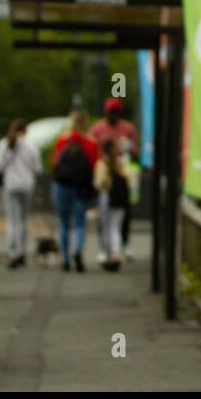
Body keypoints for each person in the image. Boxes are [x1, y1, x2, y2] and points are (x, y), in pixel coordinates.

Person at [90, 98, 140, 258]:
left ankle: (123, 244)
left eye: (115, 112)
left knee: (122, 215)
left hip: (122, 178)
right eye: (110, 112)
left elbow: (136, 154)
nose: (112, 115)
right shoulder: (97, 128)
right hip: (105, 179)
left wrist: (129, 148)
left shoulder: (128, 129)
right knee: (105, 217)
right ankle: (105, 248)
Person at [50, 109, 99, 272]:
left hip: (62, 186)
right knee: (79, 223)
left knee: (63, 223)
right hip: (81, 187)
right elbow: (93, 166)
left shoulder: (63, 140)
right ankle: (77, 251)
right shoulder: (90, 143)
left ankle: (64, 258)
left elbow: (54, 163)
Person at [0, 118, 41, 269]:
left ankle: (13, 252)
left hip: (11, 185)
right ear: (25, 130)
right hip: (26, 185)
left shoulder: (4, 144)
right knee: (23, 220)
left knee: (12, 221)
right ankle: (22, 251)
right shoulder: (31, 146)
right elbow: (37, 168)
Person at [93, 138, 132, 271]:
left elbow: (98, 183)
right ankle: (116, 253)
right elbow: (129, 179)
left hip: (106, 196)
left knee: (105, 226)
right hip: (121, 198)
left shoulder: (101, 163)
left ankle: (104, 252)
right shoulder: (121, 162)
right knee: (116, 226)